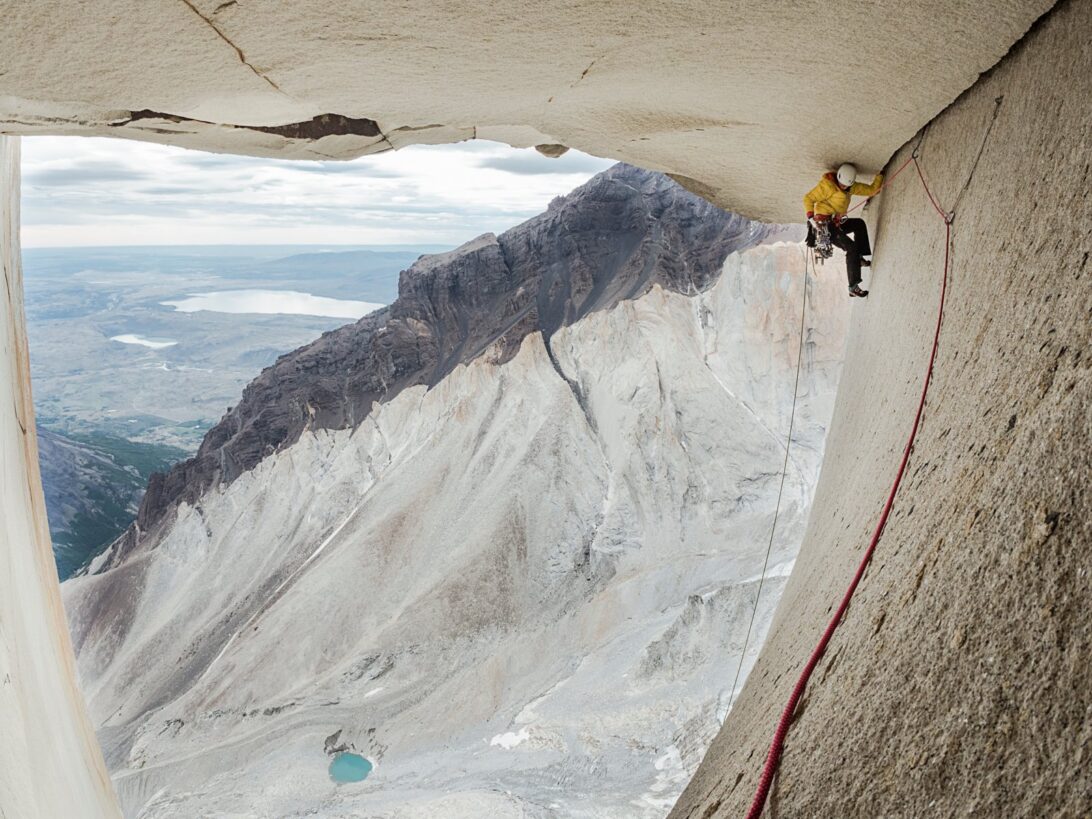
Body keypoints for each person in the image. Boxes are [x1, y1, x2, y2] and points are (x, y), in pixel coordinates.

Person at [804, 163, 883, 297]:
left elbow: (871, 190)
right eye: (842, 184)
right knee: (850, 247)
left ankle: (858, 259)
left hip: (835, 223)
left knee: (858, 224)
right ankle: (853, 287)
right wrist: (811, 216)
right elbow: (808, 198)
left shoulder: (851, 188)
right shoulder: (828, 186)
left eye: (847, 186)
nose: (844, 187)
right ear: (838, 178)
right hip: (824, 226)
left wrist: (881, 175)